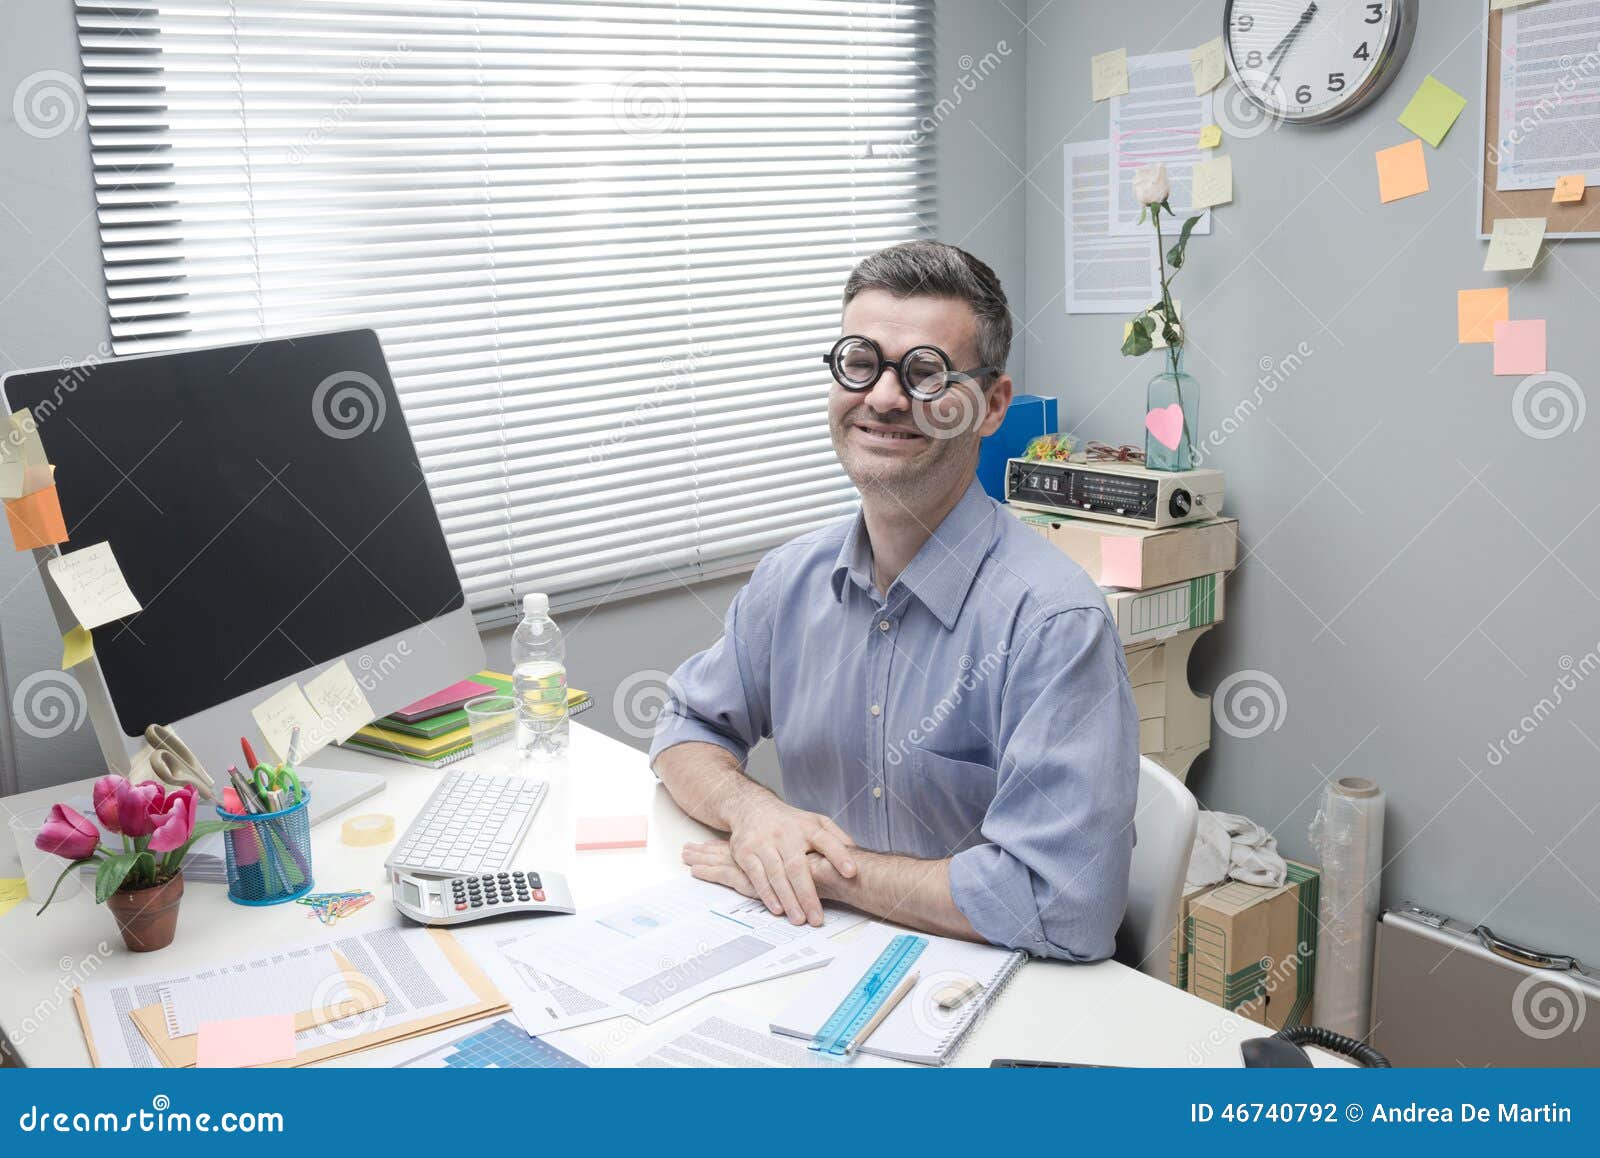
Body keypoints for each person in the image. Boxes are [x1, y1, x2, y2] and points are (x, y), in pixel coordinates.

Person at [650, 240, 1139, 962]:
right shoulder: (789, 580)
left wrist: (821, 873)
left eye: (925, 373)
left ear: (991, 405)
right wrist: (753, 811)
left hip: (991, 994)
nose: (883, 397)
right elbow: (685, 725)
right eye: (860, 361)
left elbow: (1064, 906)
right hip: (811, 957)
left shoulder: (1053, 626)